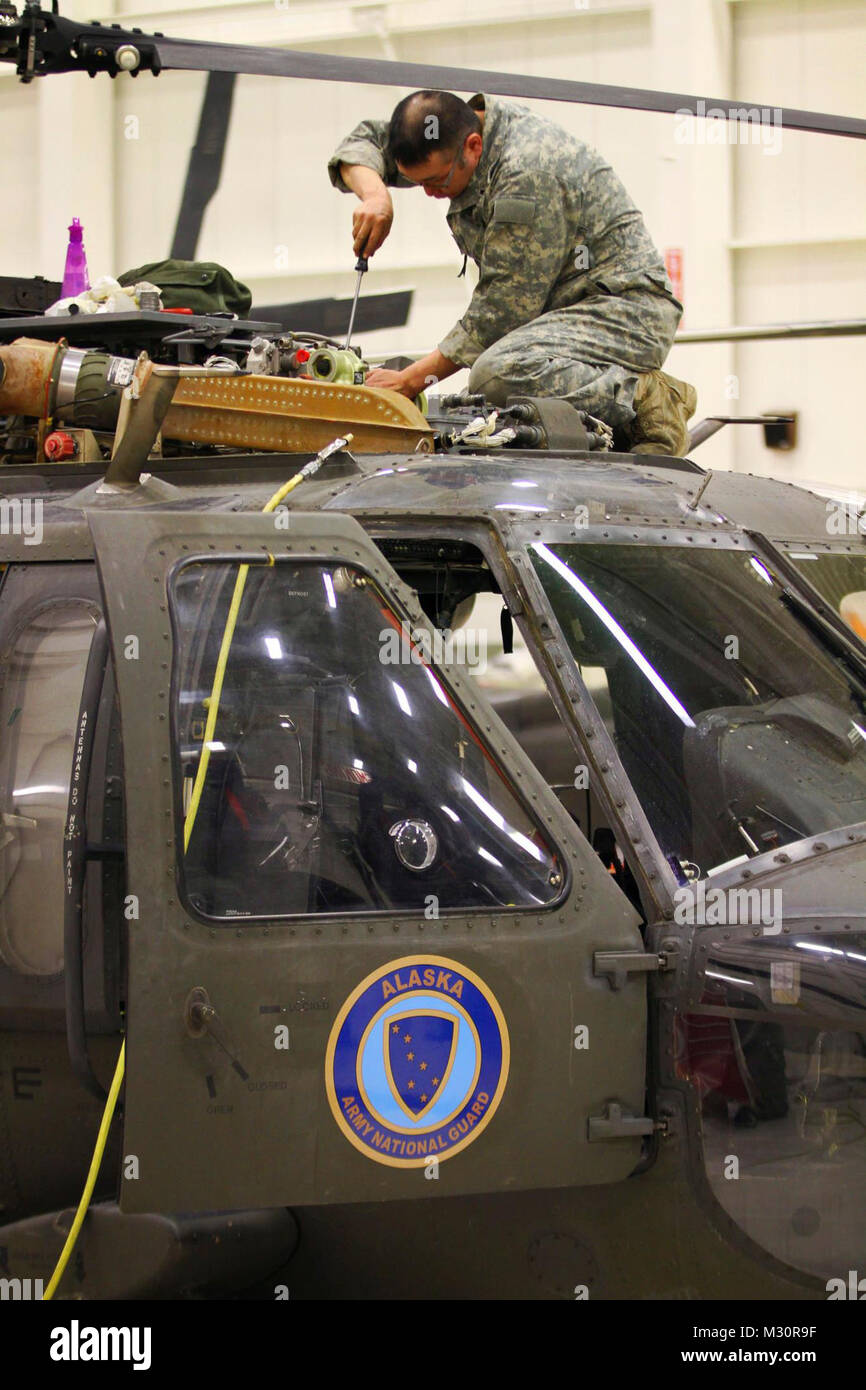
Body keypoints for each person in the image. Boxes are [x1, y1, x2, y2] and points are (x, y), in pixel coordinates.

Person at [328, 89, 697, 455]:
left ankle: (647, 399)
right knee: (486, 389)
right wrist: (376, 196)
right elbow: (362, 142)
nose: (428, 193)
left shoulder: (528, 173)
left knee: (495, 375)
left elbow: (501, 311)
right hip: (559, 312)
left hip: (624, 311)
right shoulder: (446, 134)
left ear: (473, 146)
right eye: (418, 182)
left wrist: (412, 380)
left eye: (437, 182)